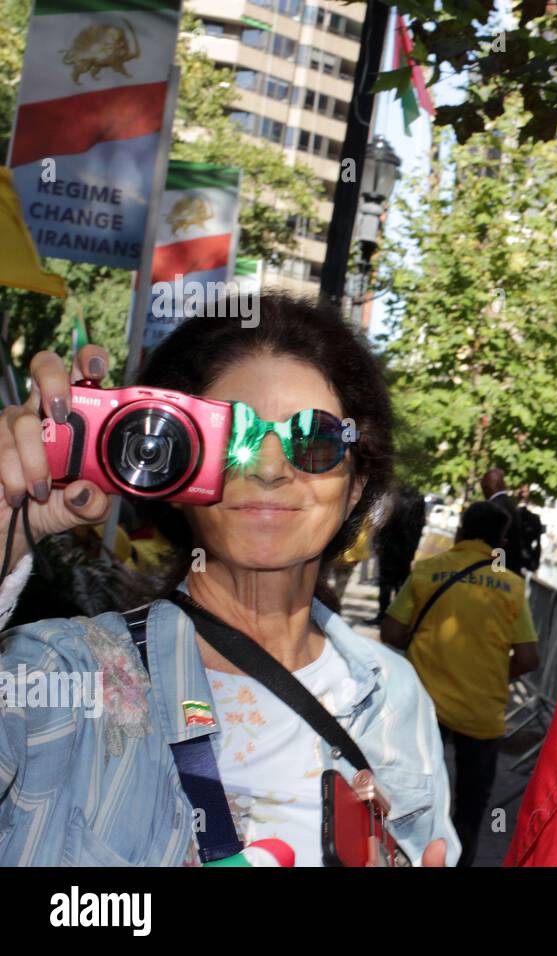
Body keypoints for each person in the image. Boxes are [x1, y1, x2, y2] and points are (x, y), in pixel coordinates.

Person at [0, 294, 459, 867]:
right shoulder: (63, 674)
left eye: (313, 439)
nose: (269, 469)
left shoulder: (393, 693)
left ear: (357, 484)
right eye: (234, 437)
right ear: (174, 470)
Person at [381, 501, 540, 866]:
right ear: (500, 539)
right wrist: (489, 669)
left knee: (410, 797)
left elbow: (391, 631)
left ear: (461, 530)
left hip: (424, 709)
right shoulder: (511, 586)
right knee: (470, 808)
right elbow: (529, 658)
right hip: (482, 714)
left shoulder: (427, 571)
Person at [366, 485, 426, 625]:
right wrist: (414, 545)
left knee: (385, 582)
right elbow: (420, 524)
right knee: (402, 582)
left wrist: (378, 542)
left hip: (389, 545)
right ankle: (398, 618)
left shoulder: (393, 495)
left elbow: (383, 521)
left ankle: (382, 614)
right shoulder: (417, 498)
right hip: (407, 547)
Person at [479, 468, 540, 575]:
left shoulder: (493, 508)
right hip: (509, 573)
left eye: (483, 485)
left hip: (495, 573)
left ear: (489, 485)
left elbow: (497, 544)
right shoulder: (511, 506)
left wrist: (495, 571)